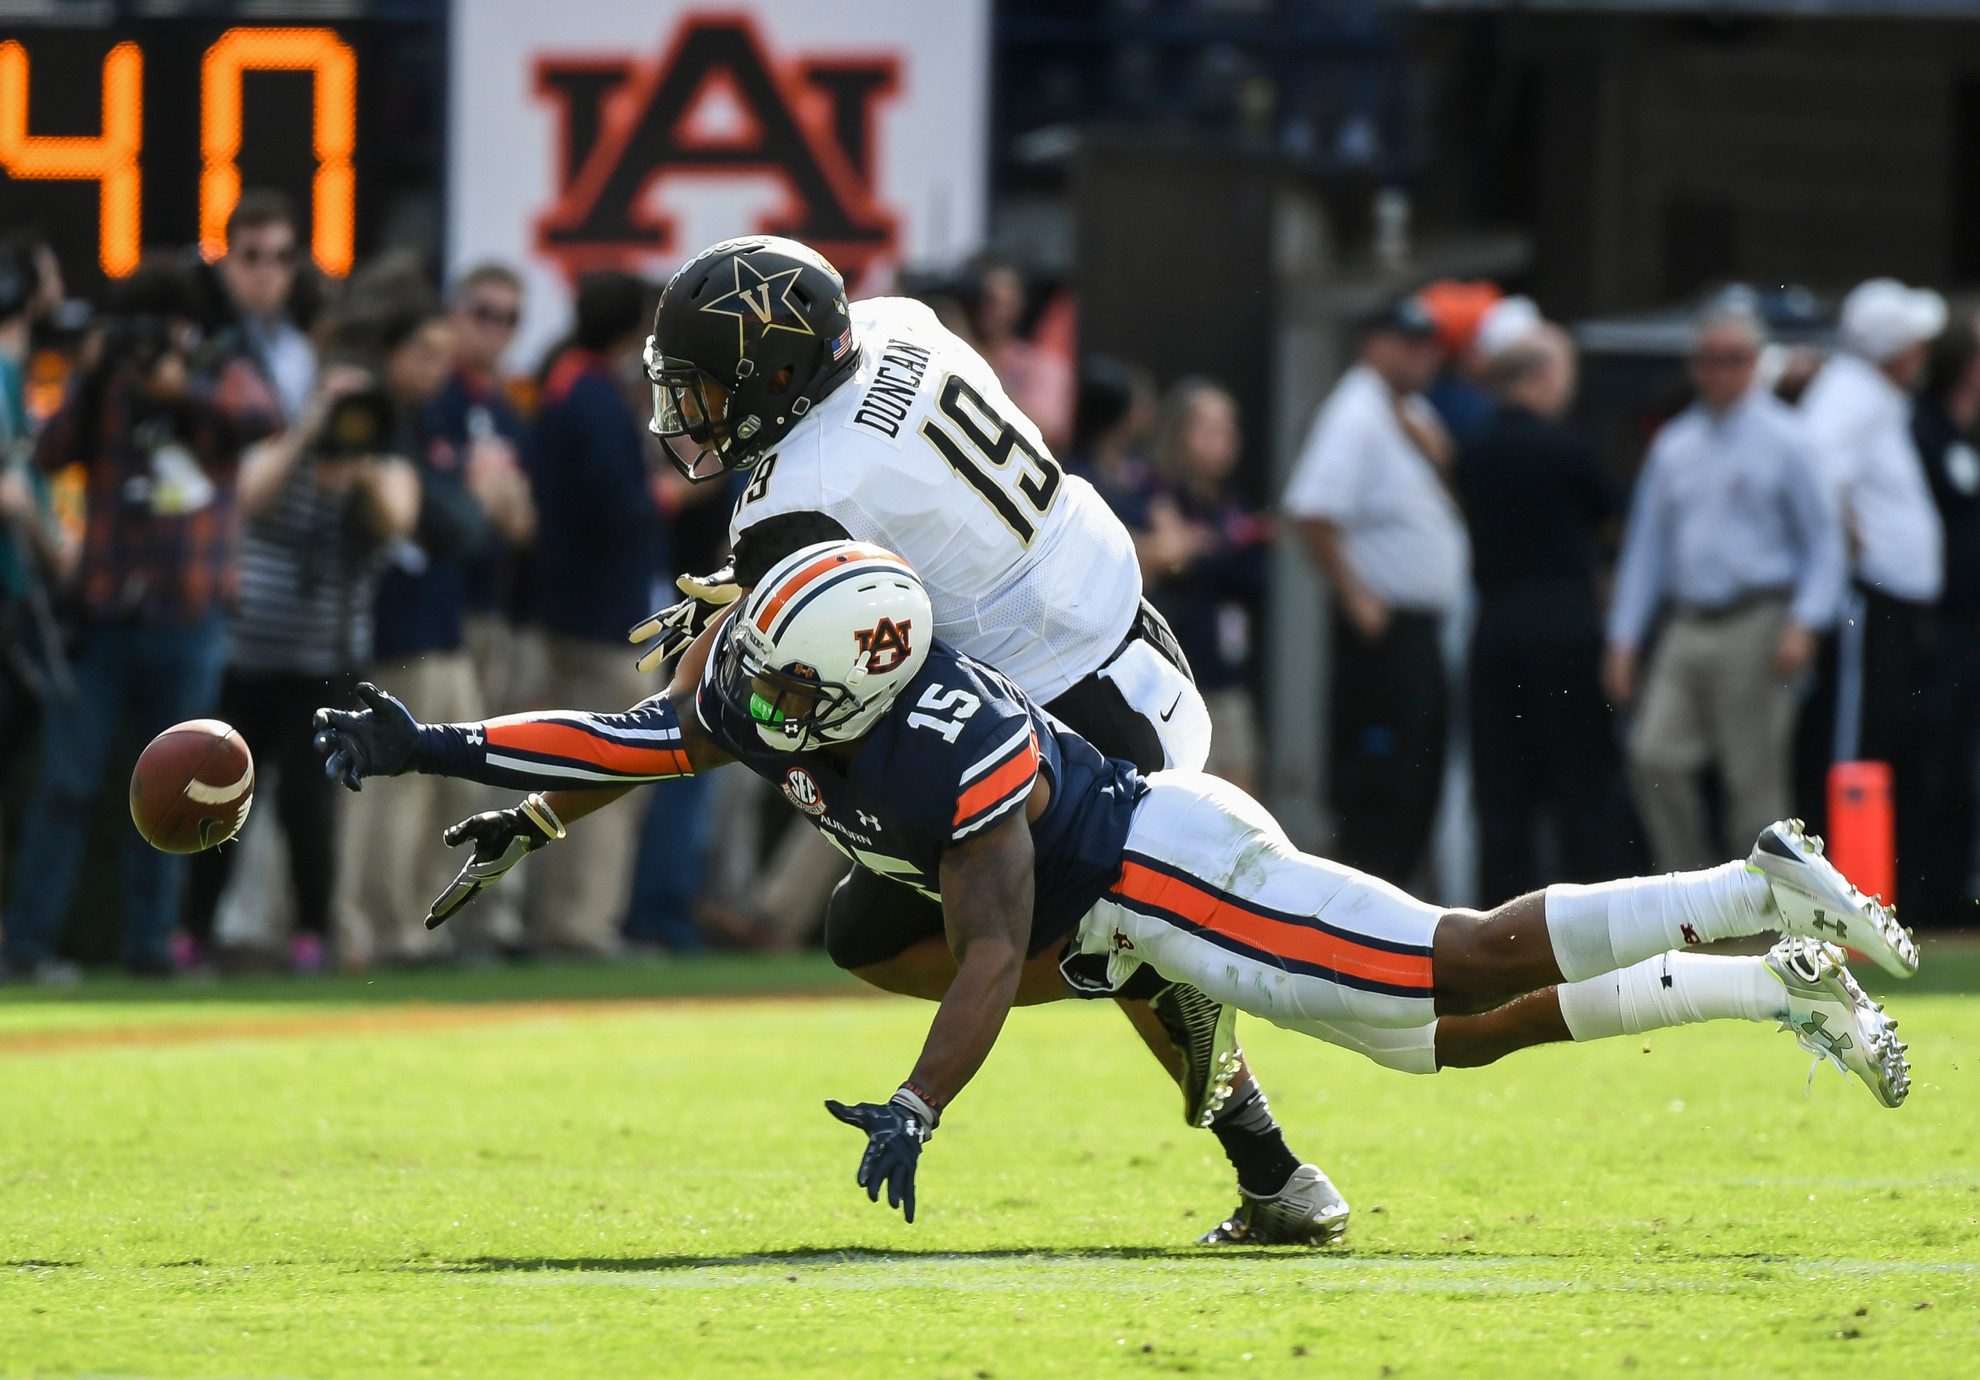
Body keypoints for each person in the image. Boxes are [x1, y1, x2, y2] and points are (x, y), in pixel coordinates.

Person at [313, 540, 1915, 1228]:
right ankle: (1760, 973)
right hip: (1131, 904)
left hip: (1170, 873)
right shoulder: (780, 667)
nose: (762, 716)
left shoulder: (954, 747)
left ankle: (1753, 884)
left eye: (797, 704)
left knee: (1453, 964)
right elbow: (636, 730)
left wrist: (922, 1102)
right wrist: (433, 746)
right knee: (1444, 1036)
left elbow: (998, 943)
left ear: (867, 686)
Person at [511, 235, 1329, 1244]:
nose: (689, 413)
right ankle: (1252, 1138)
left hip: (1063, 711)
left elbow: (705, 714)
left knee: (924, 914)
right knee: (881, 923)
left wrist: (556, 787)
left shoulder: (792, 504)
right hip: (1127, 638)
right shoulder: (903, 324)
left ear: (775, 377)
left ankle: (1170, 997)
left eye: (710, 389)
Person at [1, 260, 247, 980]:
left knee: (174, 789)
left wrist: (183, 390)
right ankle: (29, 945)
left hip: (190, 613)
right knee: (68, 783)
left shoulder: (219, 366)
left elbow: (264, 419)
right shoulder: (106, 381)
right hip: (108, 615)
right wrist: (96, 374)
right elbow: (48, 451)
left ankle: (151, 945)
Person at [180, 352, 420, 972]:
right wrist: (308, 432)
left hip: (324, 668)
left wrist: (357, 469)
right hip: (250, 660)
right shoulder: (276, 454)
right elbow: (250, 499)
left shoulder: (385, 469)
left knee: (307, 808)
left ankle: (311, 933)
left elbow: (396, 520)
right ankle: (192, 931)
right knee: (220, 797)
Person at [1604, 304, 1846, 874]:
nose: (1719, 372)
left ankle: (1767, 921)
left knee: (1753, 783)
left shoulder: (1787, 438)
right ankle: (1690, 900)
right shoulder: (1675, 444)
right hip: (1688, 622)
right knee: (1653, 757)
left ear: (1756, 363)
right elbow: (1647, 550)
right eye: (1709, 360)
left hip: (1758, 617)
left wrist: (1806, 623)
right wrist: (1623, 639)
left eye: (1733, 359)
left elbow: (1825, 542)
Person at [333, 271, 520, 969]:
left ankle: (410, 925)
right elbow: (455, 521)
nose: (439, 370)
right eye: (425, 354)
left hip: (436, 625)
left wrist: (463, 510)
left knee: (443, 788)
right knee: (389, 796)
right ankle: (381, 931)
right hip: (392, 630)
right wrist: (463, 508)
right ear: (391, 353)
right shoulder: (373, 417)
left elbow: (466, 526)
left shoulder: (422, 419)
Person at [1284, 294, 1466, 888]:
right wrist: (1356, 597)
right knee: (1383, 775)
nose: (1420, 356)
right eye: (1406, 342)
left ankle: (1396, 896)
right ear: (1375, 344)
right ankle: (1366, 898)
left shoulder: (1411, 411)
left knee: (1421, 769)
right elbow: (1312, 509)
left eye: (1426, 345)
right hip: (1384, 626)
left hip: (1423, 623)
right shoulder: (1356, 411)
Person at [1456, 325, 1631, 903]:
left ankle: (1499, 921)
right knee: (1582, 780)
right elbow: (1611, 521)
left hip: (1496, 624)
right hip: (1563, 622)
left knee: (1502, 789)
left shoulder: (1474, 451)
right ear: (1541, 376)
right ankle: (1600, 916)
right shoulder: (1566, 449)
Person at [523, 270, 667, 954]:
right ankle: (582, 923)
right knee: (616, 767)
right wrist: (672, 496)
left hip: (571, 609)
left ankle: (561, 918)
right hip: (605, 616)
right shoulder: (595, 398)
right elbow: (617, 511)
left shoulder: (569, 384)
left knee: (576, 767)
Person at [1796, 279, 1948, 893]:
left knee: (1888, 745)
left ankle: (1872, 884)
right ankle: (1840, 892)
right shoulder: (1848, 396)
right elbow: (1816, 481)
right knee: (1855, 748)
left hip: (1896, 602)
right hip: (1868, 601)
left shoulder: (1870, 394)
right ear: (1898, 350)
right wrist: (1851, 544)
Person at [1146, 378, 1272, 797]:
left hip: (1228, 675)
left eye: (1228, 430)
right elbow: (1170, 561)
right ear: (1179, 433)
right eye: (1208, 429)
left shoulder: (1232, 508)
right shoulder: (1156, 496)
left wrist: (1204, 549)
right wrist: (1214, 549)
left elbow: (1253, 575)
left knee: (1241, 792)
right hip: (1174, 676)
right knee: (1187, 793)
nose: (1222, 442)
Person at [434, 263, 536, 718]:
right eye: (483, 313)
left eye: (509, 318)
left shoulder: (506, 407)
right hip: (436, 606)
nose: (496, 328)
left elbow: (522, 521)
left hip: (490, 602)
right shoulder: (435, 392)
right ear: (455, 314)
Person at [1907, 316, 1980, 925]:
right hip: (1942, 625)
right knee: (1938, 758)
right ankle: (1929, 892)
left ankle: (1962, 889)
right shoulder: (1921, 427)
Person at [214, 190, 316, 423]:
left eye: (282, 257)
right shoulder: (196, 337)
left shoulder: (306, 347)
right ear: (226, 262)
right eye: (252, 256)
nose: (266, 273)